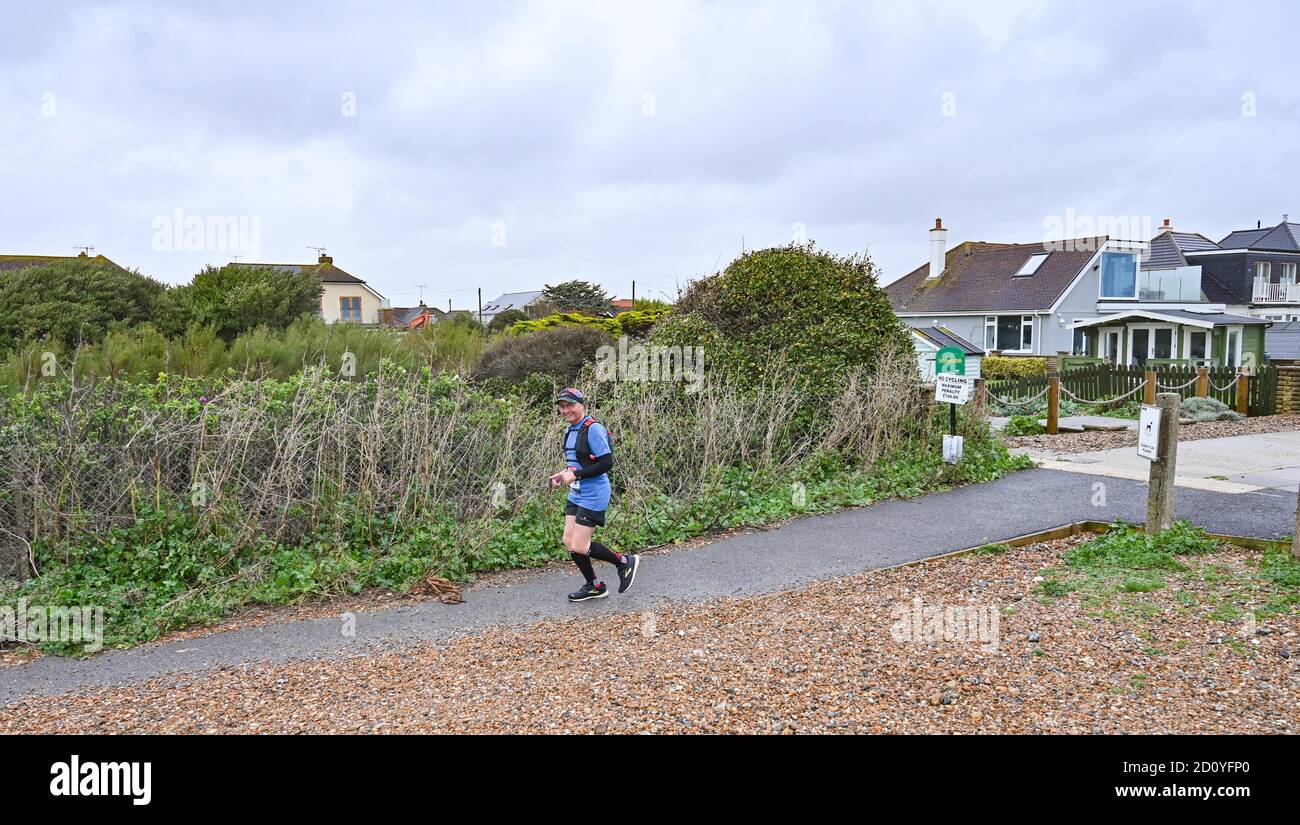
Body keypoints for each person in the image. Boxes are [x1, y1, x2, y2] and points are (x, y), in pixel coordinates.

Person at [548, 388, 640, 602]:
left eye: (570, 405)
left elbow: (606, 463)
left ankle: (624, 562)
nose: (565, 410)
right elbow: (578, 462)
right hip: (577, 493)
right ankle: (595, 586)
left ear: (581, 405)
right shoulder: (570, 430)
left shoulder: (593, 429)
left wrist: (577, 475)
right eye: (562, 406)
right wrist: (564, 475)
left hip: (595, 493)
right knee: (569, 541)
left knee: (580, 545)